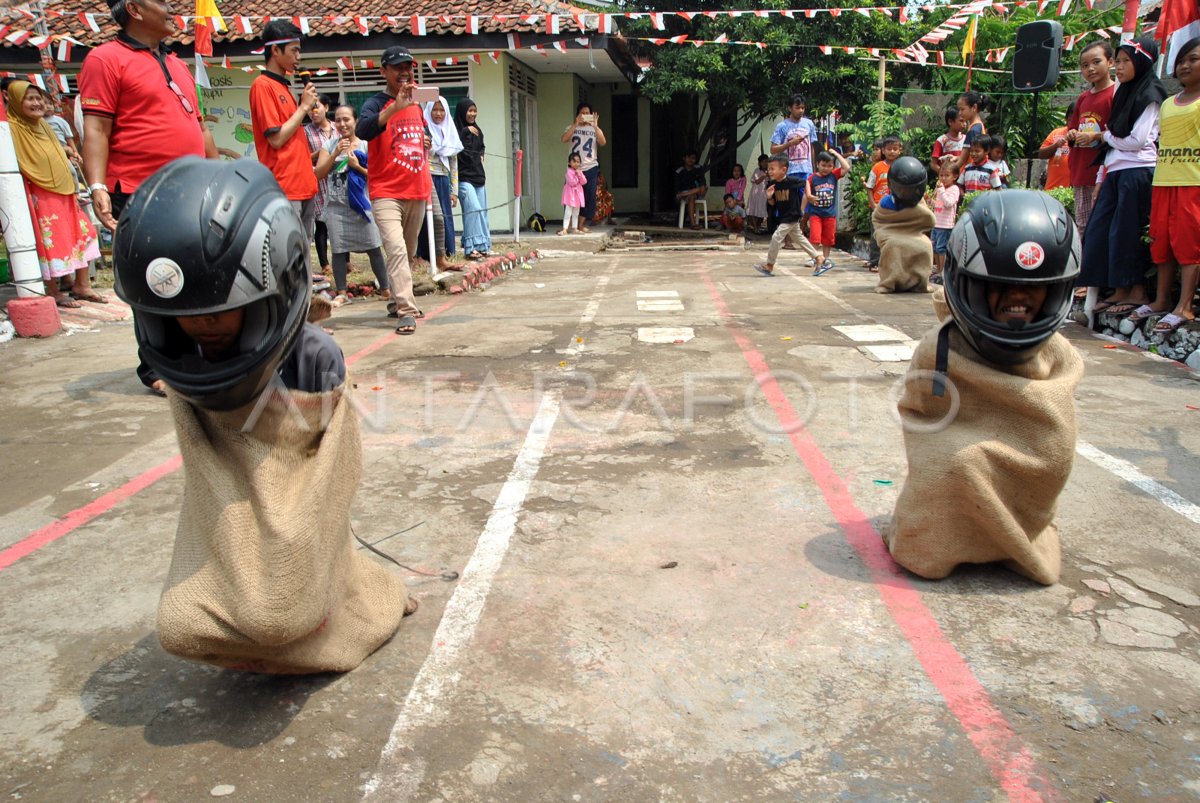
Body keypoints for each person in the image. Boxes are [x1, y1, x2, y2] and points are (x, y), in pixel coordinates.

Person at [111, 157, 415, 674]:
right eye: (180, 318)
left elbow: (324, 483)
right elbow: (213, 483)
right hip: (231, 521)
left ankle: (357, 590)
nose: (201, 326)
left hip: (305, 520)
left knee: (281, 615)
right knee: (182, 623)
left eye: (216, 309)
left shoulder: (315, 359)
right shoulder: (186, 364)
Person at [885, 190, 1082, 585]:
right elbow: (920, 417)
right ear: (970, 283)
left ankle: (1013, 533)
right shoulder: (939, 348)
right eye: (1000, 287)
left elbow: (1054, 443)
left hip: (1029, 506)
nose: (1019, 297)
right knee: (954, 464)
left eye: (1034, 288)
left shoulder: (1057, 354)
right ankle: (942, 539)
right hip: (949, 487)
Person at [78, 0, 218, 395]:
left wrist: (220, 175)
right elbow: (97, 129)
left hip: (192, 190)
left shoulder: (176, 63)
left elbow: (199, 126)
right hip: (141, 191)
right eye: (163, 2)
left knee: (198, 277)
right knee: (156, 282)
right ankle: (160, 368)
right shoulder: (104, 59)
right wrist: (98, 186)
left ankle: (197, 358)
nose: (173, 8)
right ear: (135, 9)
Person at [1074, 36, 1166, 317]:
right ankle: (1117, 288)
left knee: (1126, 231)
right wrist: (1102, 176)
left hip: (1137, 169)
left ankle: (1135, 290)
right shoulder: (1124, 95)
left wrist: (1103, 135)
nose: (1121, 68)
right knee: (1101, 232)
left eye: (1126, 61)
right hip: (1114, 169)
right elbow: (1112, 144)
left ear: (1142, 61)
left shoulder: (1150, 94)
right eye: (1121, 61)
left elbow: (1137, 140)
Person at [356, 47, 433, 336]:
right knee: (397, 250)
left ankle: (394, 300)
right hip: (386, 191)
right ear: (383, 71)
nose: (405, 72)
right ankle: (406, 310)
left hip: (416, 189)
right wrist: (394, 107)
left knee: (408, 253)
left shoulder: (417, 104)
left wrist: (426, 141)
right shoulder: (375, 104)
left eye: (408, 67)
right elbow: (363, 130)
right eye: (398, 67)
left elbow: (420, 136)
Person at [6, 81, 103, 309]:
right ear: (16, 101)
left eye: (38, 98)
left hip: (66, 191)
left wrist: (69, 154)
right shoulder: (12, 129)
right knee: (50, 244)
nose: (37, 103)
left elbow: (57, 151)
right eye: (30, 99)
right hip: (41, 196)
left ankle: (82, 285)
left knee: (84, 234)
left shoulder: (45, 126)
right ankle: (53, 290)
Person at [1134, 36, 1200, 333]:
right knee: (1161, 243)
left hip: (1193, 182)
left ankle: (1184, 306)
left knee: (1189, 246)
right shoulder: (1170, 103)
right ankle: (1161, 300)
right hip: (1164, 181)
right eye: (1182, 60)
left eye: (1193, 59)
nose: (1185, 65)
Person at [249, 20, 319, 262]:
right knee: (287, 256)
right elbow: (276, 138)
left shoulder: (285, 87)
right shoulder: (262, 86)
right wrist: (303, 108)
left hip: (304, 183)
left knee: (302, 254)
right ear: (275, 51)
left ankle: (304, 298)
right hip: (285, 185)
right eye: (294, 50)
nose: (298, 57)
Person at [313, 105, 389, 307]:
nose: (342, 124)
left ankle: (386, 288)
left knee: (374, 247)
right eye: (337, 120)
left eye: (346, 119)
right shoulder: (329, 146)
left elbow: (377, 175)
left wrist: (357, 166)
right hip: (337, 207)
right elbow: (319, 173)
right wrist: (335, 153)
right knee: (338, 250)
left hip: (362, 207)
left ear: (355, 121)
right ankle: (342, 292)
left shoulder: (366, 145)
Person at [1066, 42, 1116, 239]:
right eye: (1085, 65)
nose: (1090, 69)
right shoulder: (1083, 98)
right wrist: (1072, 134)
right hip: (1081, 169)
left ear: (1110, 62)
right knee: (1083, 225)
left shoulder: (1116, 94)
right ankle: (1083, 266)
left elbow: (1118, 133)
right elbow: (1074, 128)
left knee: (1102, 225)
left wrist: (1095, 136)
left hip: (1103, 171)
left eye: (1096, 62)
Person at [752, 154, 821, 276]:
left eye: (773, 169)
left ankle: (769, 265)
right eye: (769, 169)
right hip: (784, 216)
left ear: (783, 169)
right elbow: (773, 203)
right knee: (799, 238)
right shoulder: (773, 184)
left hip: (792, 215)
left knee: (776, 237)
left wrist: (809, 195)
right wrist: (768, 197)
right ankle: (818, 257)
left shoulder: (791, 181)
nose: (770, 171)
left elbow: (806, 182)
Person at [424, 96, 462, 263]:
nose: (438, 114)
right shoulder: (424, 131)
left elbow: (454, 164)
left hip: (443, 179)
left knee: (445, 217)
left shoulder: (450, 133)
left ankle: (447, 252)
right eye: (434, 109)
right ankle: (425, 254)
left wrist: (455, 191)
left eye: (441, 110)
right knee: (428, 217)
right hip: (426, 178)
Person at [306, 93, 338, 282]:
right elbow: (305, 157)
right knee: (322, 224)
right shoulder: (306, 132)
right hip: (319, 178)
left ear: (326, 107)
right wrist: (324, 151)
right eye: (310, 109)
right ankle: (325, 264)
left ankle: (345, 261)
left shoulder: (337, 127)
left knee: (340, 220)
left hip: (339, 178)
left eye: (316, 108)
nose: (313, 112)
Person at [804, 148, 851, 274]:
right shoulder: (812, 178)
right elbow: (807, 190)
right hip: (816, 214)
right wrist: (809, 197)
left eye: (829, 165)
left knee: (828, 239)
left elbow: (846, 167)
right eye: (823, 165)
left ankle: (826, 258)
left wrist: (836, 154)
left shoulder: (834, 176)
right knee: (815, 237)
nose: (826, 168)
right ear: (818, 164)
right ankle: (813, 257)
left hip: (830, 214)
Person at [454, 97, 491, 260]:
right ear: (463, 112)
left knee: (481, 211)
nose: (473, 114)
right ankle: (470, 247)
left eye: (474, 110)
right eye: (469, 110)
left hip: (478, 177)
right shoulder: (457, 132)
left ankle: (482, 245)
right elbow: (459, 152)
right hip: (464, 178)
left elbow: (481, 146)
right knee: (473, 210)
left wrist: (481, 154)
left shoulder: (477, 130)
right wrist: (464, 132)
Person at [560, 103, 607, 231]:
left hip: (590, 166)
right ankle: (568, 226)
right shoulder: (571, 127)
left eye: (588, 113)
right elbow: (564, 139)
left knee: (588, 197)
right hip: (574, 169)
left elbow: (603, 142)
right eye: (582, 113)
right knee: (570, 196)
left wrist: (596, 126)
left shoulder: (594, 129)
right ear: (577, 114)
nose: (585, 115)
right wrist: (576, 124)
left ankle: (580, 225)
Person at [865, 136, 903, 272]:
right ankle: (875, 262)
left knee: (894, 235)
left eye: (895, 149)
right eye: (888, 149)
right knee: (876, 235)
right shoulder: (877, 168)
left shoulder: (902, 166)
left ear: (900, 150)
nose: (892, 152)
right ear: (883, 150)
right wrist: (873, 204)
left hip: (896, 208)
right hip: (878, 207)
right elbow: (869, 187)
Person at [929, 162, 961, 282]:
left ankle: (942, 271)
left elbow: (948, 203)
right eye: (941, 175)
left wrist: (941, 191)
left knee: (941, 248)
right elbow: (939, 205)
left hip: (945, 225)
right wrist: (930, 200)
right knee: (935, 248)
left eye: (946, 175)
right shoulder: (941, 189)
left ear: (955, 176)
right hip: (936, 223)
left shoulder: (954, 189)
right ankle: (937, 269)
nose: (943, 178)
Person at [1037, 105, 1072, 191]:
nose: (1072, 123)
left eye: (1075, 120)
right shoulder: (1056, 133)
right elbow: (1041, 154)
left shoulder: (1083, 136)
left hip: (1073, 191)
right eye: (1070, 120)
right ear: (1066, 119)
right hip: (1052, 189)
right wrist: (1055, 146)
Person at [955, 91, 989, 171]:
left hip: (972, 174)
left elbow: (962, 160)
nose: (960, 113)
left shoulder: (973, 130)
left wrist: (948, 172)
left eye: (962, 109)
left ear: (974, 107)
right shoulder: (979, 125)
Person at [674, 150, 708, 229]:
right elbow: (677, 189)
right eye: (688, 158)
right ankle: (693, 224)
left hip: (696, 192)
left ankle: (686, 194)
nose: (690, 160)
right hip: (684, 193)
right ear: (684, 158)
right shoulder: (679, 171)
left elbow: (703, 185)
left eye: (693, 158)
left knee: (703, 188)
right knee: (691, 196)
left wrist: (701, 188)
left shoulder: (698, 168)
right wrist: (682, 194)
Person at [931, 107, 966, 175]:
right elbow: (933, 164)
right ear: (950, 122)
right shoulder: (941, 140)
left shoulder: (966, 139)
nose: (964, 124)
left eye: (965, 121)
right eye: (961, 121)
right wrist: (945, 175)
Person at [560, 152, 587, 235]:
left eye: (578, 161)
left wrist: (580, 175)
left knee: (576, 213)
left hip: (577, 195)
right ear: (569, 163)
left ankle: (574, 228)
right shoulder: (569, 172)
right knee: (568, 212)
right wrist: (576, 175)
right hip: (570, 195)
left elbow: (584, 182)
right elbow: (572, 182)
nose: (576, 163)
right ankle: (565, 228)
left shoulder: (579, 172)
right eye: (574, 161)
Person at [746, 154, 770, 233]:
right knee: (754, 209)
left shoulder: (769, 171)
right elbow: (757, 181)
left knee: (762, 211)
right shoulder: (757, 170)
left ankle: (758, 226)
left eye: (766, 161)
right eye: (763, 162)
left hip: (764, 194)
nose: (765, 163)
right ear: (759, 163)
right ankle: (755, 227)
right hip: (756, 194)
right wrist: (764, 175)